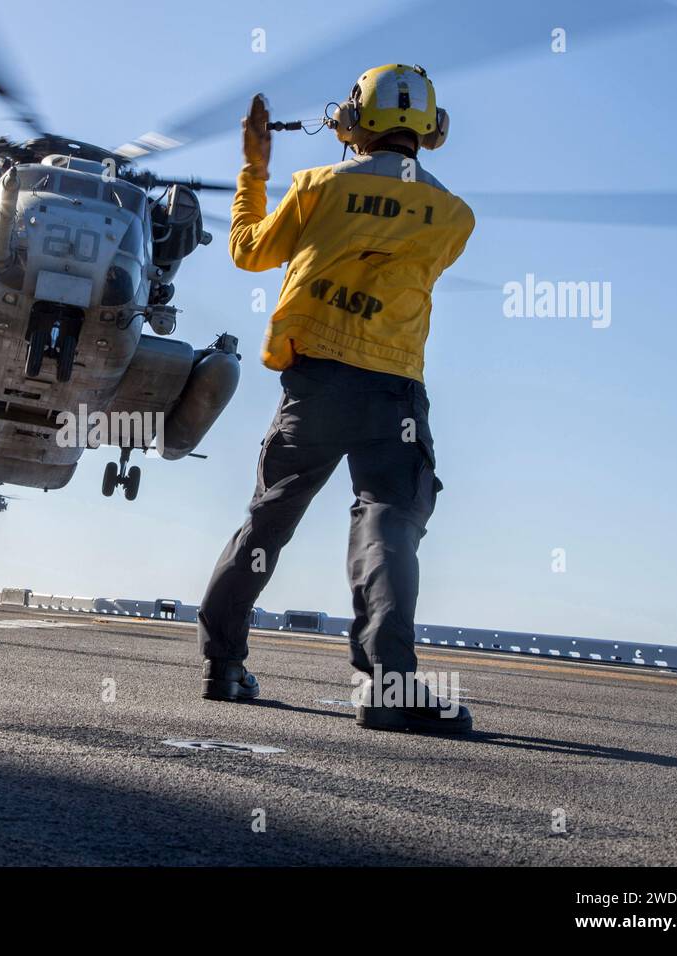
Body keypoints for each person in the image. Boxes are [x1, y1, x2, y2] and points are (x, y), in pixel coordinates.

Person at [196, 64, 476, 733]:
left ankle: (222, 665)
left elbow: (247, 252)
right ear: (432, 131)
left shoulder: (316, 187)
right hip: (392, 391)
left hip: (313, 384)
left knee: (267, 522)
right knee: (389, 517)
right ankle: (388, 684)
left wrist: (255, 169)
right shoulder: (453, 218)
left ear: (353, 121)